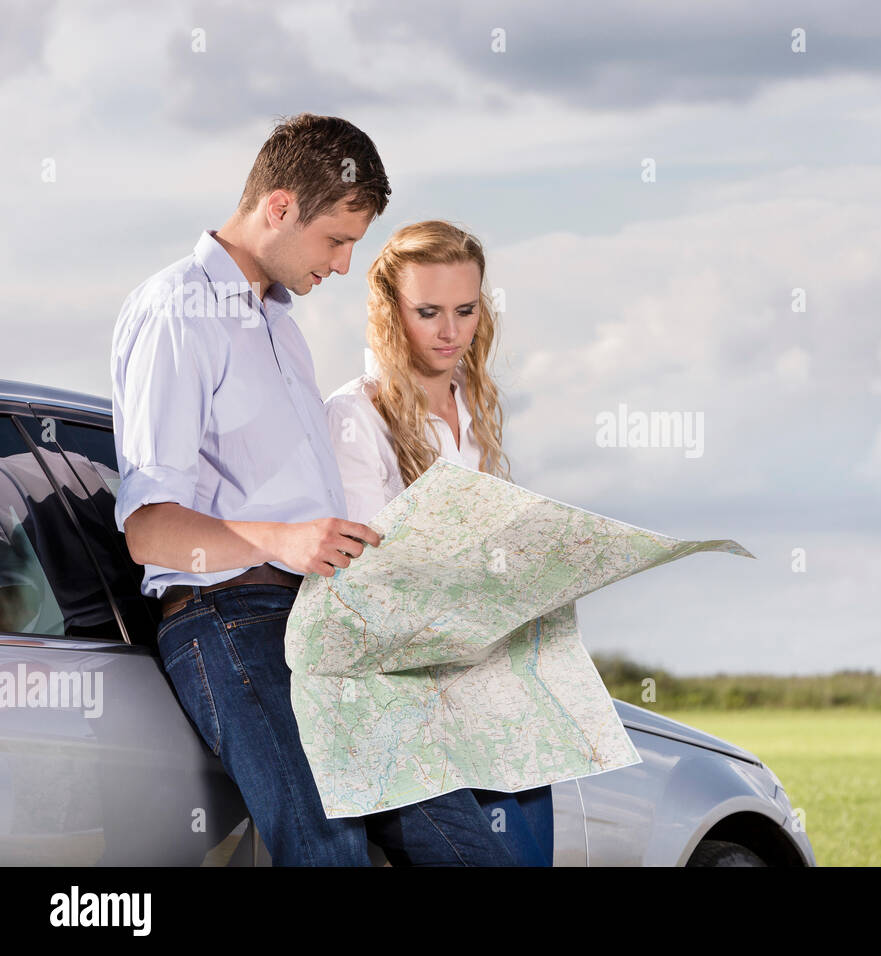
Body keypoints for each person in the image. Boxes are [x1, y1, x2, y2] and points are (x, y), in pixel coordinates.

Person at [111, 115, 518, 866]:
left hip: (322, 623)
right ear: (278, 207)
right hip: (231, 621)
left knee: (468, 853)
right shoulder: (177, 312)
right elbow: (147, 528)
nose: (343, 264)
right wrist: (283, 538)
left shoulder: (278, 326)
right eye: (335, 239)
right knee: (327, 854)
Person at [323, 220, 554, 866]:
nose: (450, 332)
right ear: (391, 313)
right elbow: (370, 572)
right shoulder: (355, 415)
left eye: (465, 310)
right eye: (428, 312)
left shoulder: (473, 407)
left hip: (488, 684)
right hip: (407, 694)